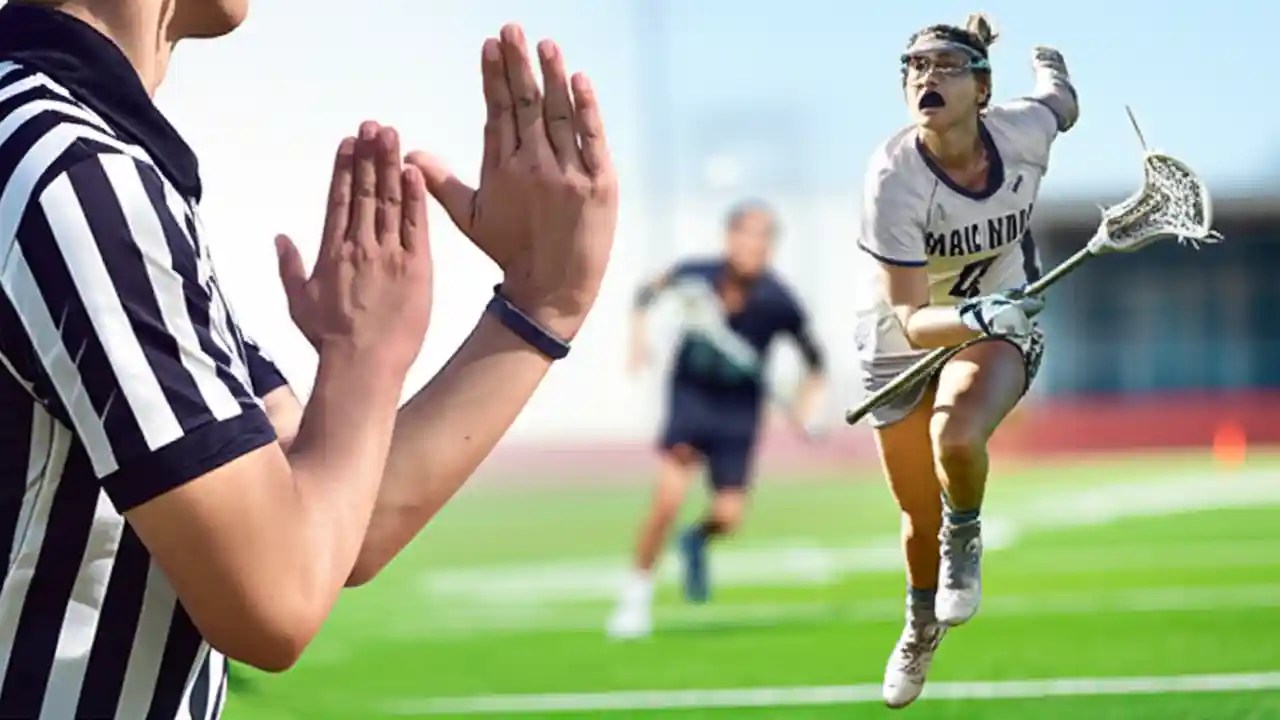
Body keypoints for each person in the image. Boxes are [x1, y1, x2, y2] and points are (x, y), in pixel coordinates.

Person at [0, 2, 618, 718]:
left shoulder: (53, 149)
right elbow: (273, 595)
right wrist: (365, 352)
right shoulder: (73, 176)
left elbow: (327, 521)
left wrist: (542, 305)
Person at [852, 12, 1079, 709]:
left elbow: (1062, 105)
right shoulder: (893, 178)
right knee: (916, 513)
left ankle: (968, 535)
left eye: (946, 67)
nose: (927, 78)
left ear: (982, 90)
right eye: (915, 67)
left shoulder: (1021, 132)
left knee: (955, 433)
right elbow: (916, 320)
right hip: (906, 331)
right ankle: (920, 624)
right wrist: (975, 313)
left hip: (998, 325)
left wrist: (1053, 69)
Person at [606, 200, 827, 640]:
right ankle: (635, 599)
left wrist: (806, 409)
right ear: (729, 238)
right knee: (668, 498)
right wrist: (637, 341)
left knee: (728, 516)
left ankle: (696, 540)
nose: (752, 247)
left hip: (739, 410)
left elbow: (815, 364)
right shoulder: (695, 274)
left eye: (762, 239)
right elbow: (645, 293)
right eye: (745, 235)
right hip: (691, 396)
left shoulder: (779, 301)